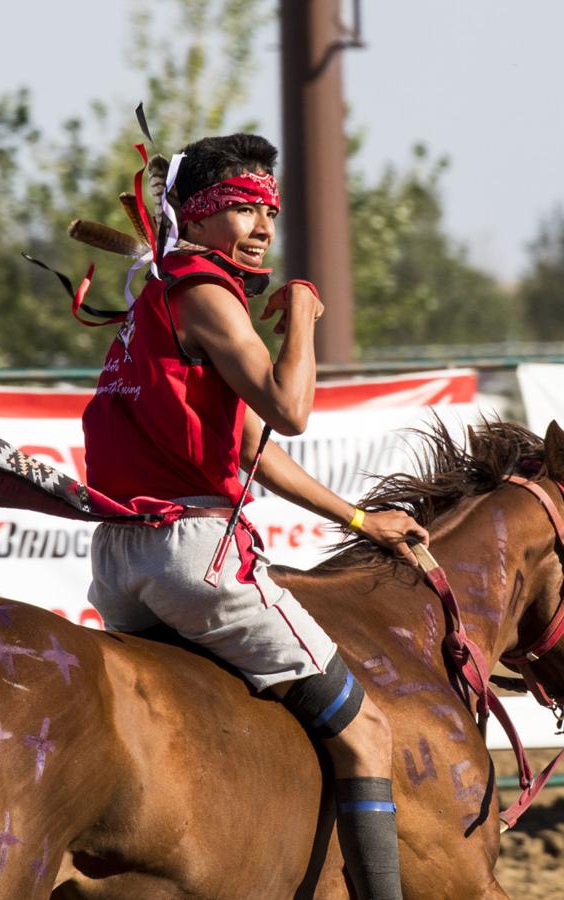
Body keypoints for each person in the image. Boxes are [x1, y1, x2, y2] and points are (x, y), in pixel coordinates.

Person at [81, 133, 428, 900]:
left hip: (120, 561)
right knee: (367, 733)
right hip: (194, 561)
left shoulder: (158, 299)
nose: (264, 224)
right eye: (244, 207)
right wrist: (302, 314)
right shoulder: (207, 293)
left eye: (269, 209)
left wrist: (361, 521)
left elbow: (249, 452)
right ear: (199, 217)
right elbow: (289, 412)